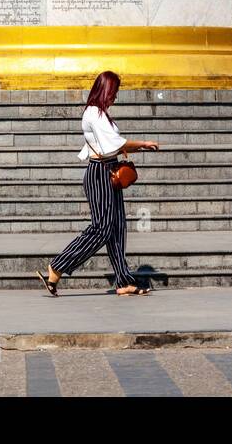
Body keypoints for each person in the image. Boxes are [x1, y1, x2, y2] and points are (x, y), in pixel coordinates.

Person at [37, 71, 159, 297]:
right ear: (105, 91)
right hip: (100, 173)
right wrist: (142, 143)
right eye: (113, 93)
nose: (115, 98)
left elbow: (115, 146)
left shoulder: (101, 113)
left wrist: (140, 146)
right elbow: (113, 145)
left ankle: (123, 281)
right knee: (102, 228)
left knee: (117, 228)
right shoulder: (94, 113)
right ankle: (58, 266)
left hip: (109, 171)